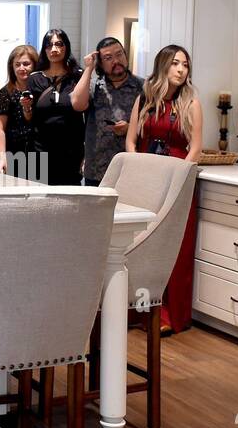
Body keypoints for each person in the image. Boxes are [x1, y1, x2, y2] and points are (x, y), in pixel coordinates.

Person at [126, 44, 203, 334]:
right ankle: (141, 311)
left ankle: (171, 314)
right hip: (147, 180)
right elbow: (131, 140)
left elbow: (195, 149)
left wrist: (179, 179)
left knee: (174, 249)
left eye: (185, 65)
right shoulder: (144, 98)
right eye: (175, 63)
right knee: (144, 245)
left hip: (177, 183)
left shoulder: (191, 103)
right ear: (163, 66)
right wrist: (136, 171)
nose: (181, 69)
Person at [71, 36, 143, 186]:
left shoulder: (143, 87)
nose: (116, 61)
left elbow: (152, 125)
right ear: (101, 64)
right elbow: (77, 103)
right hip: (97, 168)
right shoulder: (94, 87)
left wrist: (130, 129)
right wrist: (89, 68)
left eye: (119, 54)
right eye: (108, 58)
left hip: (131, 168)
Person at [27, 28, 84, 185]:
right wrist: (26, 107)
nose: (54, 49)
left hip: (71, 150)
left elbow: (85, 111)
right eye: (49, 45)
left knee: (69, 199)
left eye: (59, 44)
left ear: (66, 47)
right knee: (38, 198)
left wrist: (84, 154)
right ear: (44, 49)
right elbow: (30, 118)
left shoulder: (77, 76)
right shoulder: (35, 78)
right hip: (40, 149)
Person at [0, 44, 39, 179]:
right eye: (17, 65)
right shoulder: (4, 93)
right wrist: (2, 158)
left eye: (26, 64)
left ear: (34, 65)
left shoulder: (42, 91)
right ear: (12, 68)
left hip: (39, 151)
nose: (22, 68)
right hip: (13, 152)